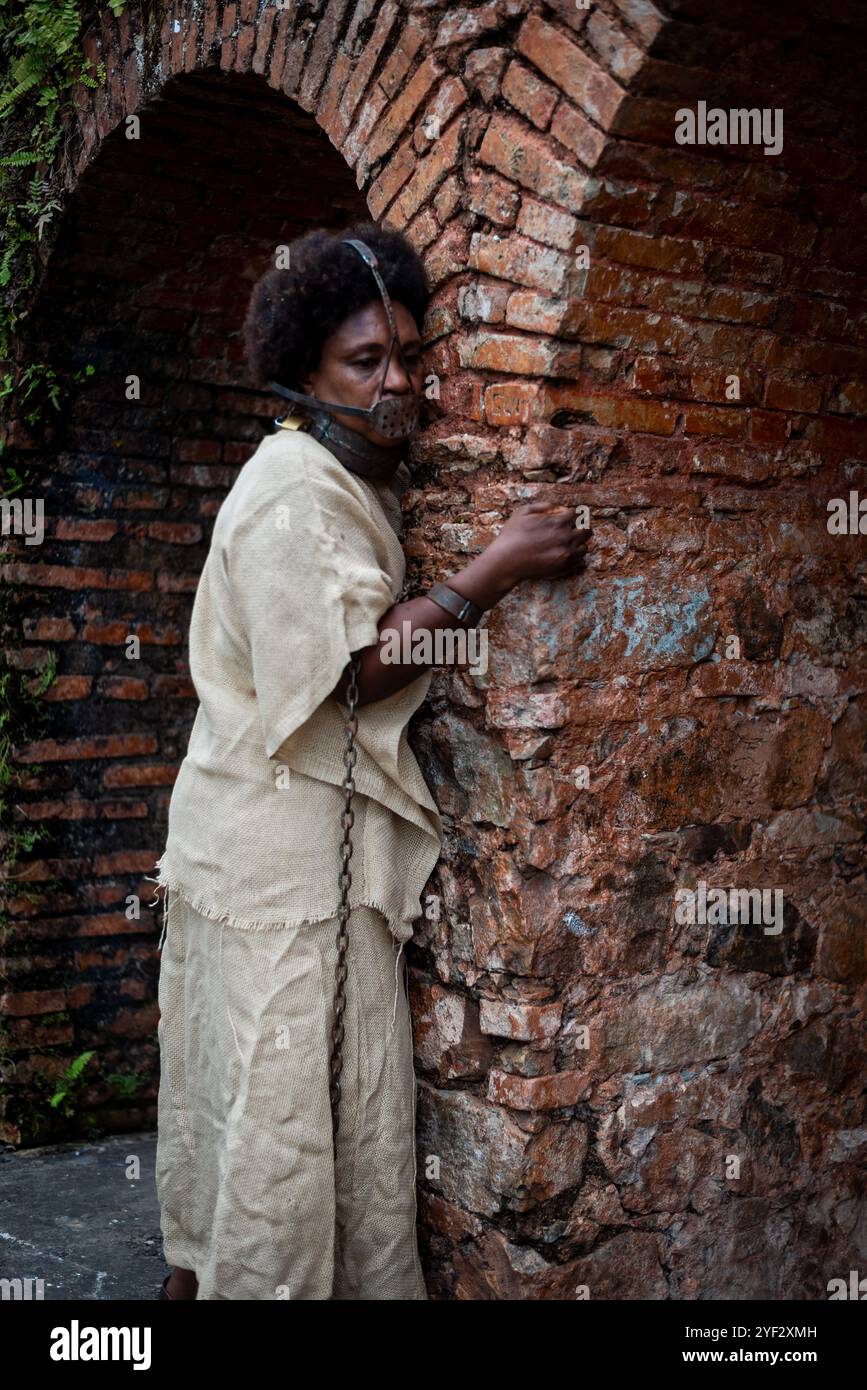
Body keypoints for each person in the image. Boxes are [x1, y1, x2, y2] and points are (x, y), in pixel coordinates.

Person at [149, 220, 590, 1301]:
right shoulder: (293, 487)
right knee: (278, 1114)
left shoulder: (346, 473)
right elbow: (353, 672)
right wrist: (496, 567)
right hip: (277, 863)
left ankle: (207, 1279)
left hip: (262, 844)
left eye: (409, 355)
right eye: (366, 360)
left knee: (256, 1100)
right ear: (305, 369)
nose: (399, 382)